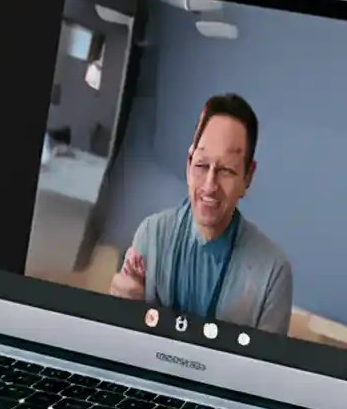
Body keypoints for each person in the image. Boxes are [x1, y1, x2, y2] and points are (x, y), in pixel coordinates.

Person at [109, 93, 294, 333]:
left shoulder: (272, 272)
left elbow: (265, 369)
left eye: (226, 170)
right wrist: (123, 310)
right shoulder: (151, 235)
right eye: (201, 165)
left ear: (248, 176)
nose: (209, 185)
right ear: (188, 163)